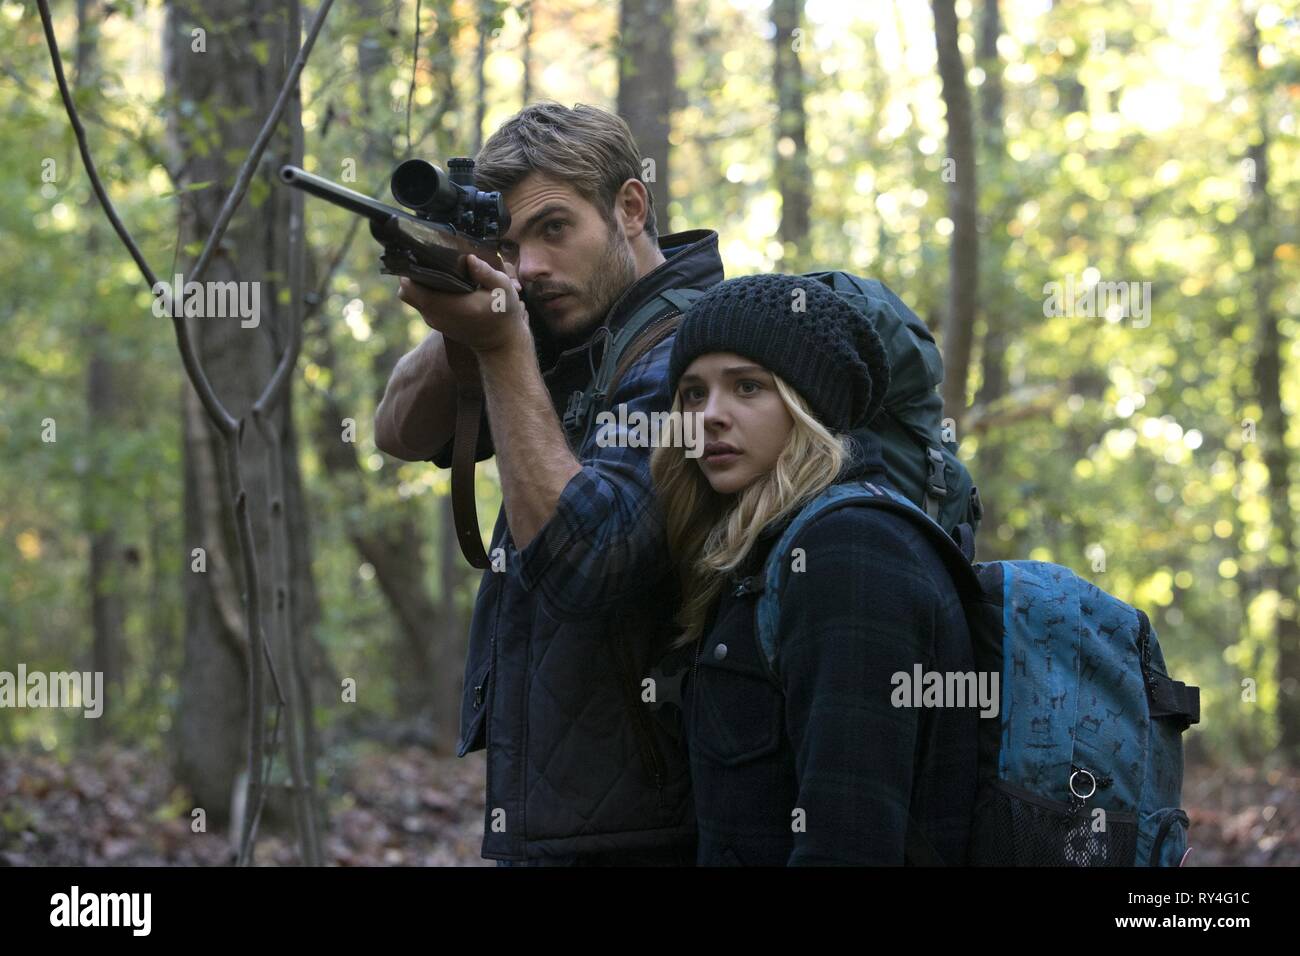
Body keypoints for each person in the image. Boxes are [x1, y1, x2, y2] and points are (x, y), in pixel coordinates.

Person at [375, 102, 722, 864]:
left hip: (658, 825)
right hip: (567, 808)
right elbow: (398, 432)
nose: (530, 266)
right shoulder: (571, 330)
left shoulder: (698, 349)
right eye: (509, 243)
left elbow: (587, 559)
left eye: (554, 229)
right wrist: (461, 315)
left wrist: (502, 345)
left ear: (630, 207)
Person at [650, 274, 979, 865]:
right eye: (694, 393)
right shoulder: (765, 553)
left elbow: (850, 842)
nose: (710, 416)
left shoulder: (850, 551)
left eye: (748, 386)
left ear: (810, 407)